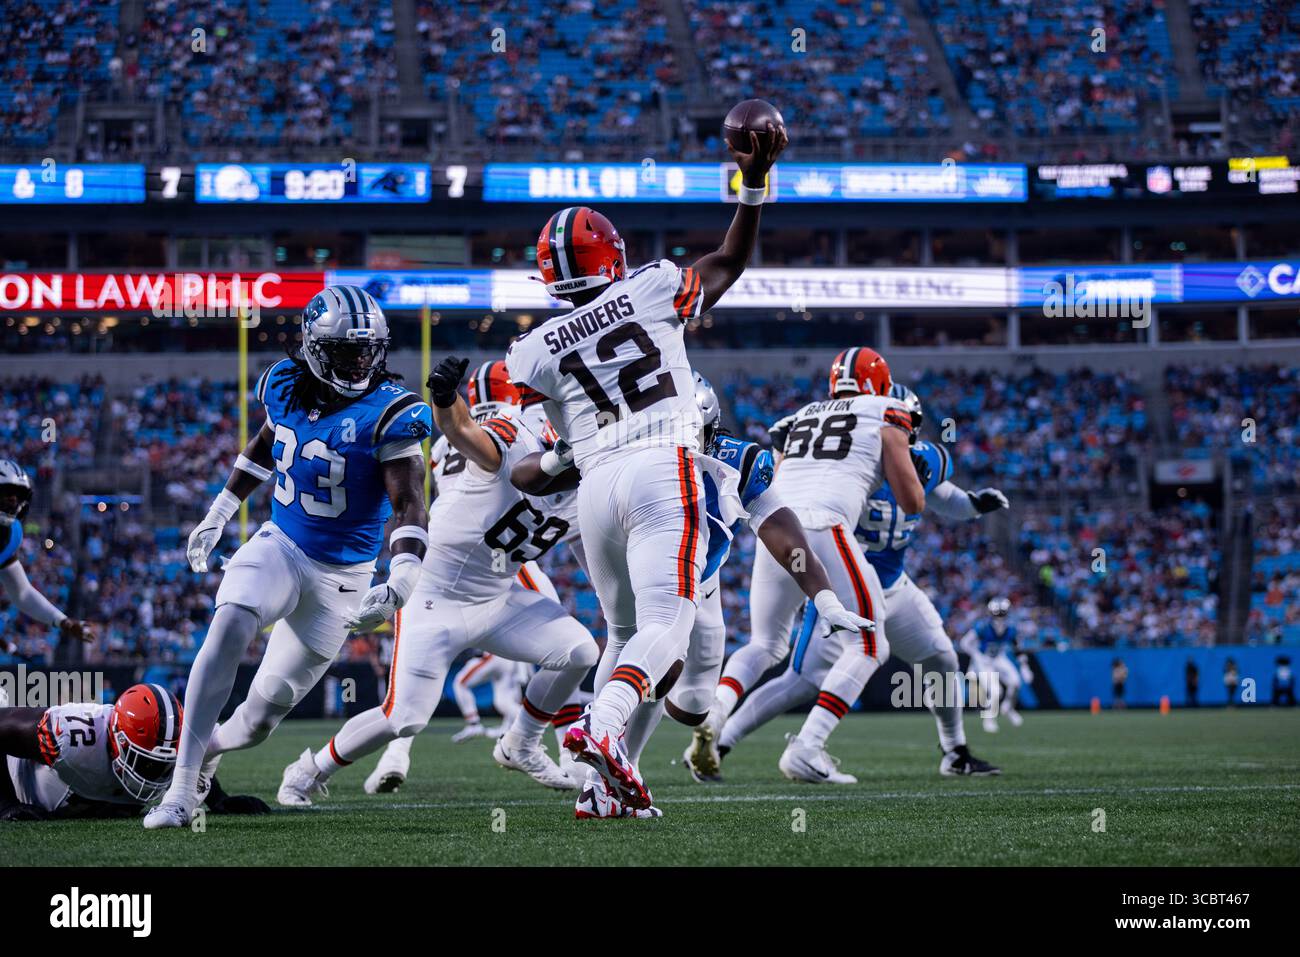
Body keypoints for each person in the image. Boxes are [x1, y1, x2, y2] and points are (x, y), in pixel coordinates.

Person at [503, 120, 794, 811]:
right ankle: (600, 730)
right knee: (673, 623)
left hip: (595, 487)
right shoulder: (654, 285)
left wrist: (557, 455)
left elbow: (534, 465)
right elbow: (729, 260)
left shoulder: (532, 349)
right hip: (664, 462)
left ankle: (599, 793)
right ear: (612, 258)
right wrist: (752, 183)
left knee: (626, 634)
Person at [143, 285, 433, 829]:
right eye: (347, 350)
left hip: (343, 577)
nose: (359, 360)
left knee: (257, 721)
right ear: (315, 348)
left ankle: (206, 756)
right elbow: (265, 445)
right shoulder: (282, 383)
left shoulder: (394, 410)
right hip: (283, 544)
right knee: (230, 621)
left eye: (368, 349)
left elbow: (409, 501)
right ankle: (180, 791)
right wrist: (221, 510)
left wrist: (405, 574)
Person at [276, 356, 599, 805]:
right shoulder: (517, 430)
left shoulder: (594, 483)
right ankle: (307, 771)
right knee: (403, 717)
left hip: (498, 596)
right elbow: (464, 432)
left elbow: (595, 552)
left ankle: (521, 743)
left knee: (580, 650)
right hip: (435, 594)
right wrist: (446, 398)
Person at [700, 384, 1003, 779]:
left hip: (890, 585)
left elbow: (945, 496)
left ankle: (955, 750)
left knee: (942, 657)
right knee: (806, 676)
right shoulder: (851, 463)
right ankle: (736, 743)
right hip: (843, 578)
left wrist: (976, 504)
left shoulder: (903, 459)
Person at [697, 348, 917, 783]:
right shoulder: (888, 409)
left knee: (765, 644)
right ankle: (808, 747)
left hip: (777, 528)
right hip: (824, 524)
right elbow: (910, 499)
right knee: (871, 645)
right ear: (880, 384)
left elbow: (777, 478)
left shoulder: (802, 415)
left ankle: (716, 713)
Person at [1, 683, 264, 821]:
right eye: (147, 763)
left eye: (165, 765)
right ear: (118, 741)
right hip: (18, 773)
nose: (156, 775)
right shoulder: (72, 735)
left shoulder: (183, 744)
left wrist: (217, 800)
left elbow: (190, 759)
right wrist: (6, 804)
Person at [0, 459, 97, 654]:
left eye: (17, 495)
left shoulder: (11, 535)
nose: (13, 501)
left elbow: (22, 593)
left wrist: (63, 622)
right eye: (7, 494)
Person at [960, 597, 1025, 732]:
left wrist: (1025, 666)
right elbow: (964, 643)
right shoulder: (983, 627)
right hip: (984, 660)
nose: (1000, 617)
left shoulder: (1011, 628)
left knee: (1016, 682)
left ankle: (1008, 708)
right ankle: (989, 719)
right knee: (996, 691)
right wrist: (976, 656)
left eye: (1003, 614)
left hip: (999, 658)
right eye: (998, 614)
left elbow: (1017, 648)